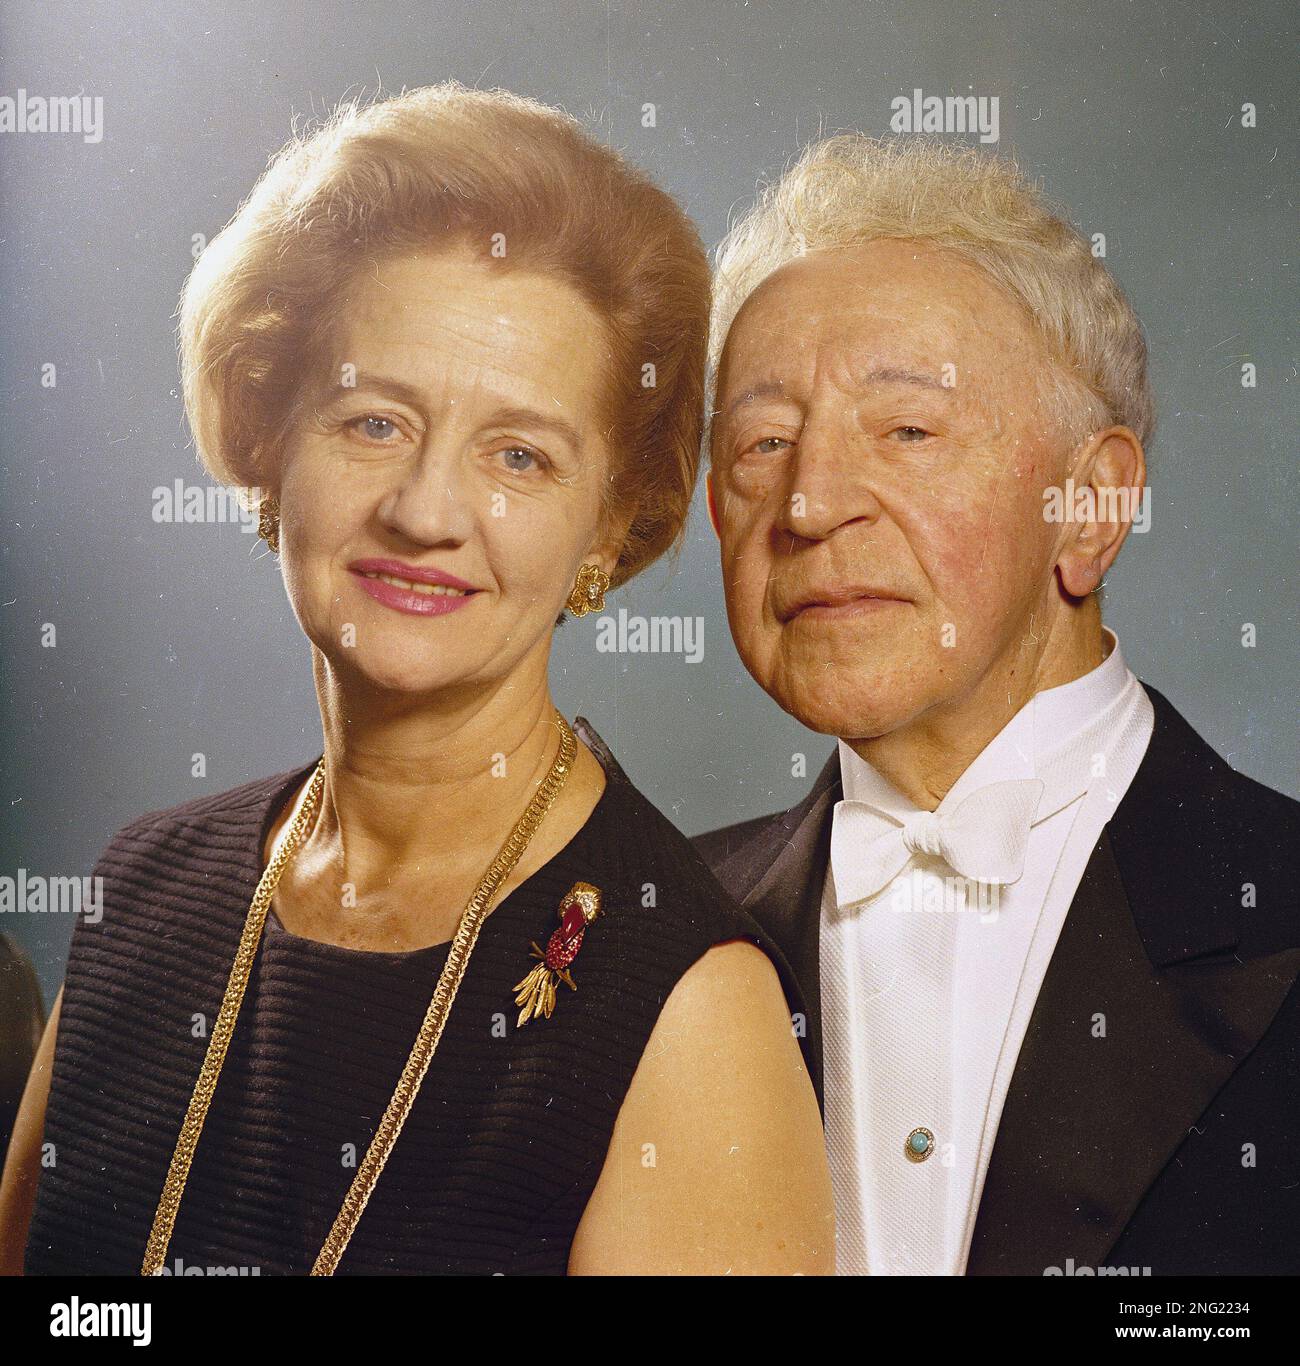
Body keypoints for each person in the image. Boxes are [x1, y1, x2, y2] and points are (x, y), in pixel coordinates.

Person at [0, 83, 832, 1277]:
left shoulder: (687, 1001)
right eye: (374, 422)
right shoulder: (142, 897)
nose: (426, 510)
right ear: (268, 438)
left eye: (518, 454)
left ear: (609, 527)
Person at [694, 134, 1300, 1276]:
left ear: (1091, 505)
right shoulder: (649, 935)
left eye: (907, 430)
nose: (809, 501)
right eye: (760, 443)